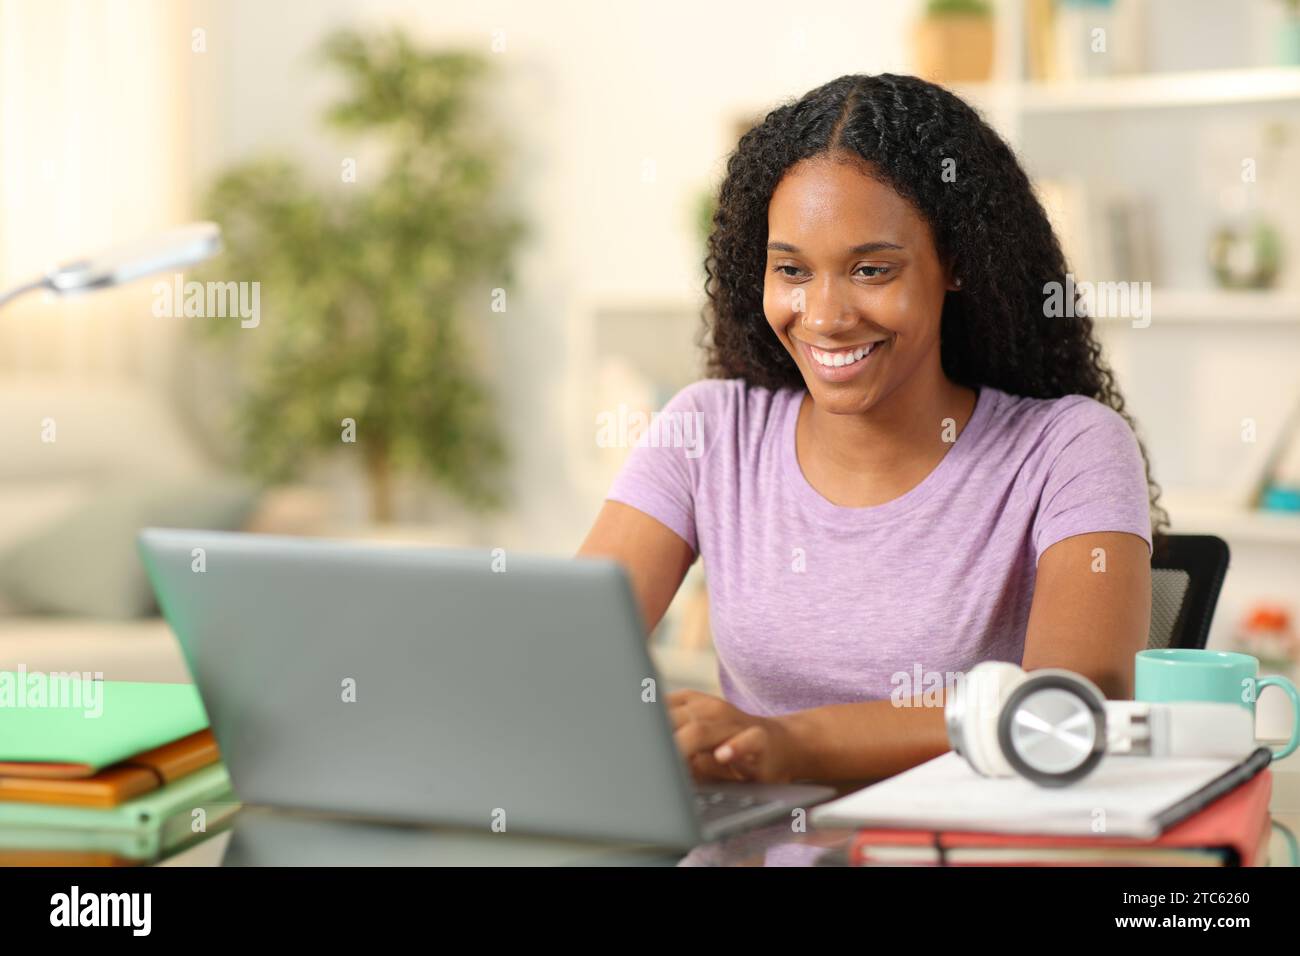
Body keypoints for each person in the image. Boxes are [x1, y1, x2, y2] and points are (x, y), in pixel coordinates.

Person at [578, 73, 1164, 785]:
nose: (824, 315)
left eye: (870, 269)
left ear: (955, 262)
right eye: (791, 269)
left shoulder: (1068, 449)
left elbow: (1067, 707)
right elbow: (562, 657)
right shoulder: (709, 430)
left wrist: (794, 744)